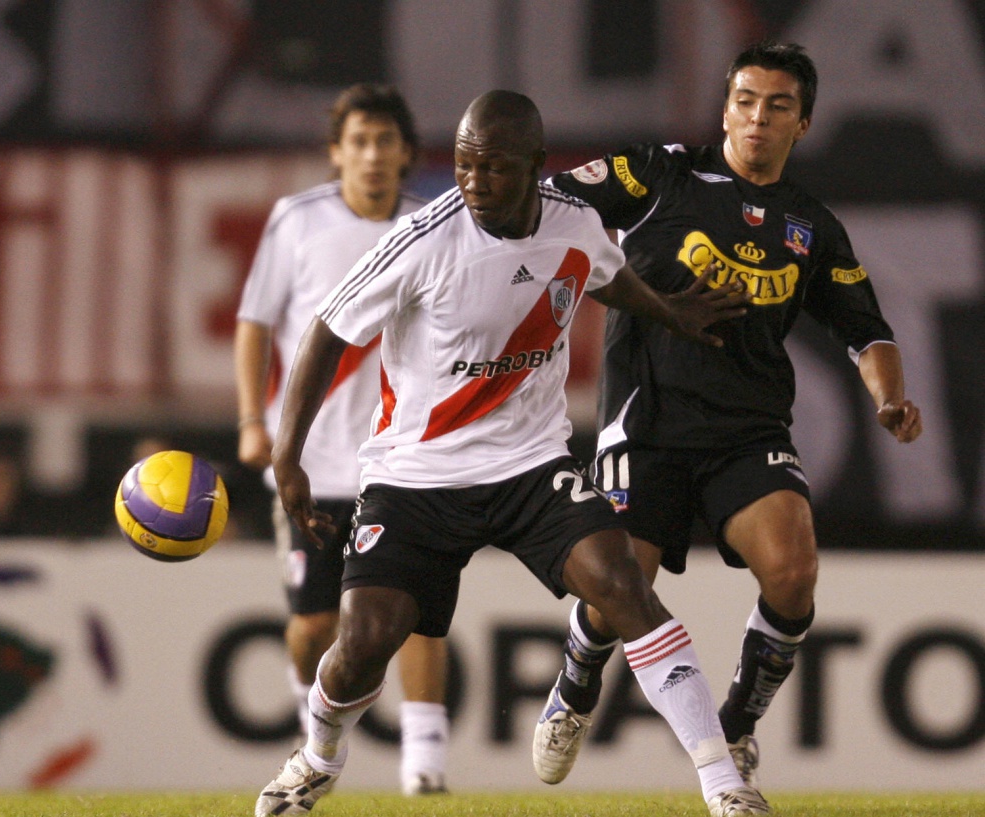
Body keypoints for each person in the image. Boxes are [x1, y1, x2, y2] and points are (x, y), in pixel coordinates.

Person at [255, 89, 767, 817]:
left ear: (534, 166)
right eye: (463, 165)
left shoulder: (575, 223)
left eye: (492, 168)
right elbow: (327, 331)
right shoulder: (424, 240)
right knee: (365, 639)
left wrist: (670, 308)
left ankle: (722, 781)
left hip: (530, 465)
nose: (472, 182)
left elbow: (606, 274)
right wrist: (287, 452)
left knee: (623, 585)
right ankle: (318, 756)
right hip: (416, 475)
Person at [533, 40, 924, 803]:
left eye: (778, 106)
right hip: (645, 423)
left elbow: (865, 329)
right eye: (745, 100)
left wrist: (888, 397)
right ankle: (578, 682)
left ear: (803, 123)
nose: (757, 117)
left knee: (794, 568)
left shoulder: (810, 225)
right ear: (725, 108)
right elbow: (549, 202)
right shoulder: (659, 174)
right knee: (623, 583)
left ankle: (737, 724)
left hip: (748, 430)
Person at [234, 83, 451, 796]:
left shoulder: (436, 225)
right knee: (312, 626)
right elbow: (254, 321)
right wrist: (253, 422)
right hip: (310, 463)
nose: (373, 154)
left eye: (386, 140)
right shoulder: (295, 221)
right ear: (336, 152)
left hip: (402, 460)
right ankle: (312, 735)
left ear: (406, 153)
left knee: (417, 613)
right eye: (358, 140)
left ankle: (425, 765)